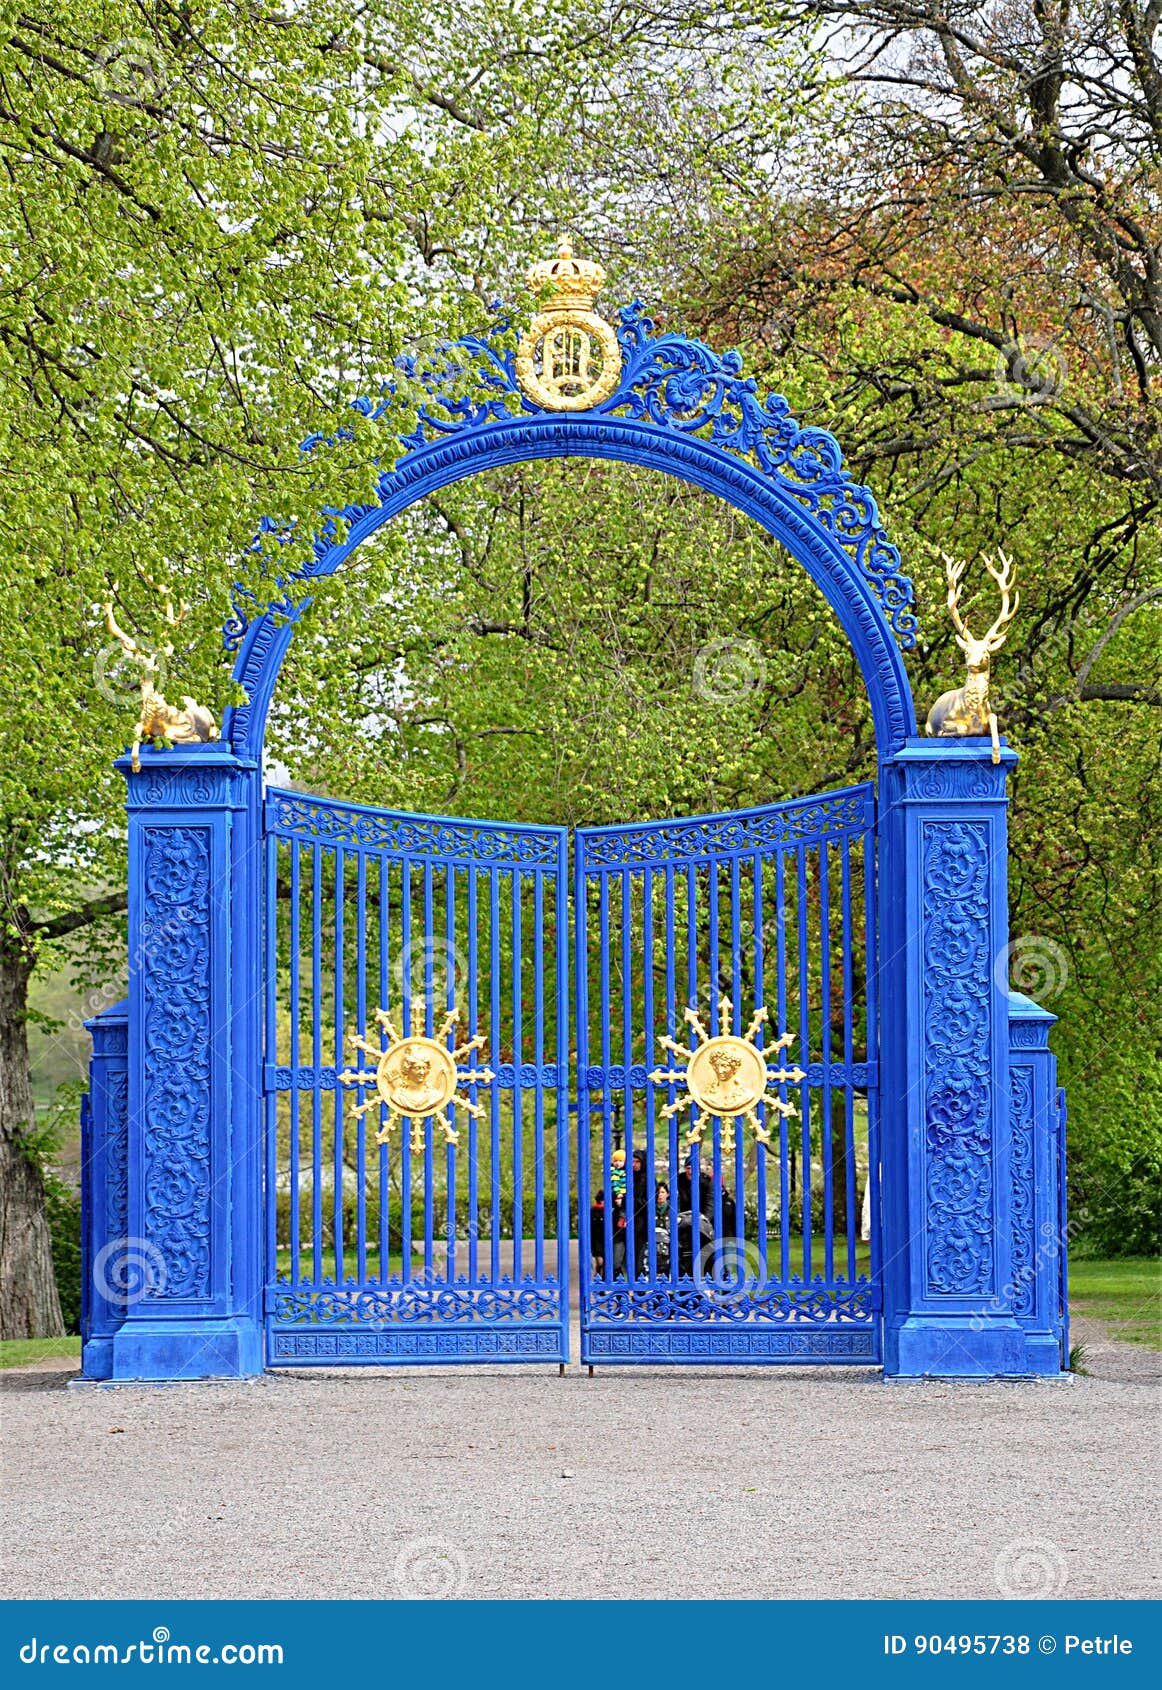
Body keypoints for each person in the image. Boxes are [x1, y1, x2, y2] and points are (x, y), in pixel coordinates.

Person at [589, 1189, 606, 1278]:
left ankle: (601, 1281)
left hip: (608, 1239)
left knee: (606, 1263)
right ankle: (598, 1278)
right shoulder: (593, 1210)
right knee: (600, 1262)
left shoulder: (611, 1210)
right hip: (596, 1240)